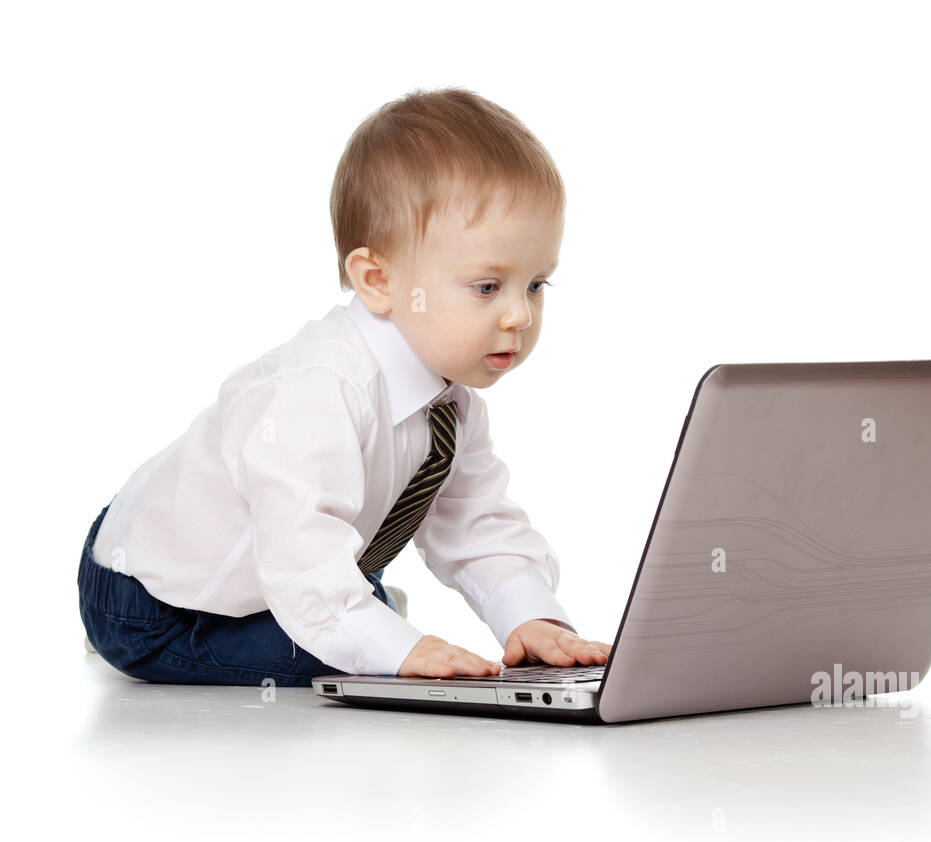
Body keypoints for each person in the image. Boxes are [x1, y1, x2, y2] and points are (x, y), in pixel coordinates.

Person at [77, 87, 611, 687]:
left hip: (283, 560)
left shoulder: (452, 404)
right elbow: (302, 554)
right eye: (488, 287)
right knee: (345, 646)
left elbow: (477, 523)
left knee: (364, 622)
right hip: (154, 600)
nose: (519, 316)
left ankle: (364, 610)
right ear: (379, 279)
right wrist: (390, 645)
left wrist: (533, 619)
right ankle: (358, 613)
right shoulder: (317, 392)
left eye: (537, 284)